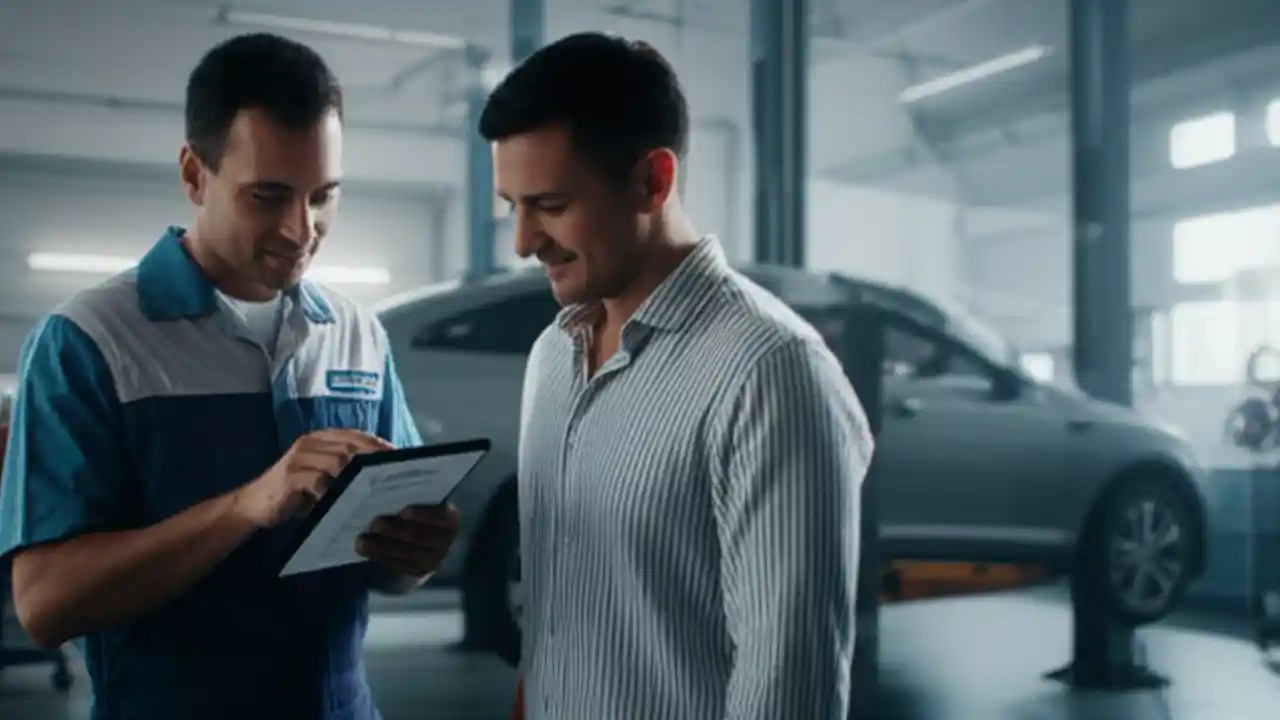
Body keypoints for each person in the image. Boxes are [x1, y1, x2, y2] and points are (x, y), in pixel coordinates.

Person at [0, 33, 457, 719]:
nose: (302, 230)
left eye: (324, 196)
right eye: (268, 196)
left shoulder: (357, 336)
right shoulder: (89, 344)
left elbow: (393, 575)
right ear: (194, 174)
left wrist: (418, 550)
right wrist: (247, 505)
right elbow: (45, 605)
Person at [482, 32, 874, 719]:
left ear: (652, 181)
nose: (522, 242)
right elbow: (552, 626)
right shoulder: (553, 356)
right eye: (512, 207)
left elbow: (789, 687)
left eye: (549, 205)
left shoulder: (770, 373)